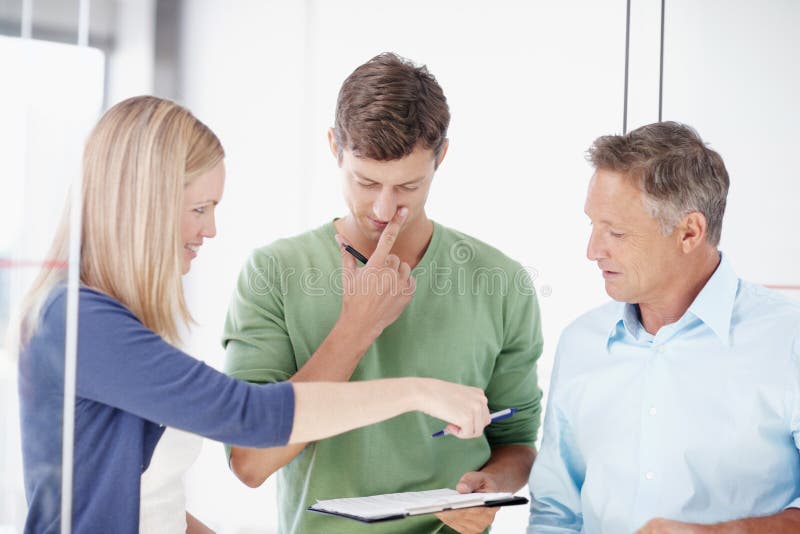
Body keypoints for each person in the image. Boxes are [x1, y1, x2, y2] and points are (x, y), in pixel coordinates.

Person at [17, 95, 492, 534]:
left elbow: (151, 504)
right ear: (143, 205)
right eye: (199, 208)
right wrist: (416, 392)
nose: (211, 229)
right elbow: (249, 414)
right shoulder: (78, 322)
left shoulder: (112, 321)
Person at [224, 52, 543, 534]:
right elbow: (250, 461)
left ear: (441, 157)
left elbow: (517, 441)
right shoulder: (274, 272)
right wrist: (357, 326)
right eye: (366, 181)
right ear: (334, 147)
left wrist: (491, 485)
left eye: (409, 186)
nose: (384, 208)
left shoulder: (500, 280)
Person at [528, 122, 800, 533]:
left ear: (689, 232)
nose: (592, 251)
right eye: (593, 225)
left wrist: (723, 533)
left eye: (616, 232)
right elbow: (556, 514)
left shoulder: (788, 340)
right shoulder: (581, 342)